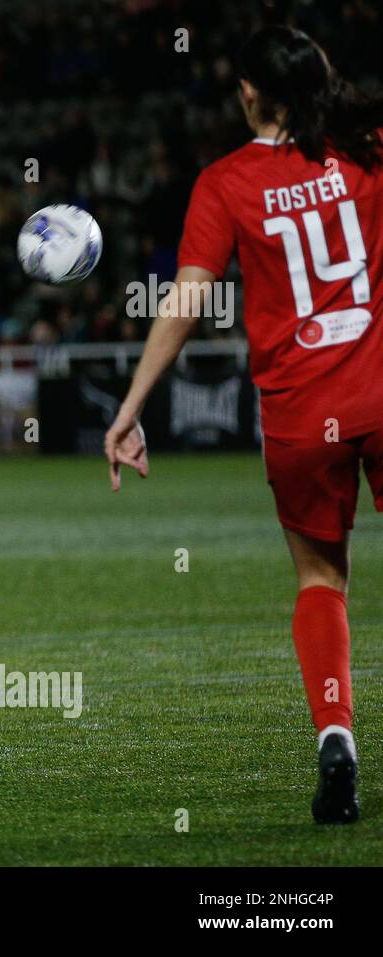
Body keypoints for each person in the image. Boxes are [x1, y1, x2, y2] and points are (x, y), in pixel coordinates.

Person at [104, 26, 383, 824]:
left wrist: (131, 410)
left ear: (249, 95)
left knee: (321, 580)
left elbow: (189, 299)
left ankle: (337, 734)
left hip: (301, 413)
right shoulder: (370, 150)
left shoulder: (226, 182)